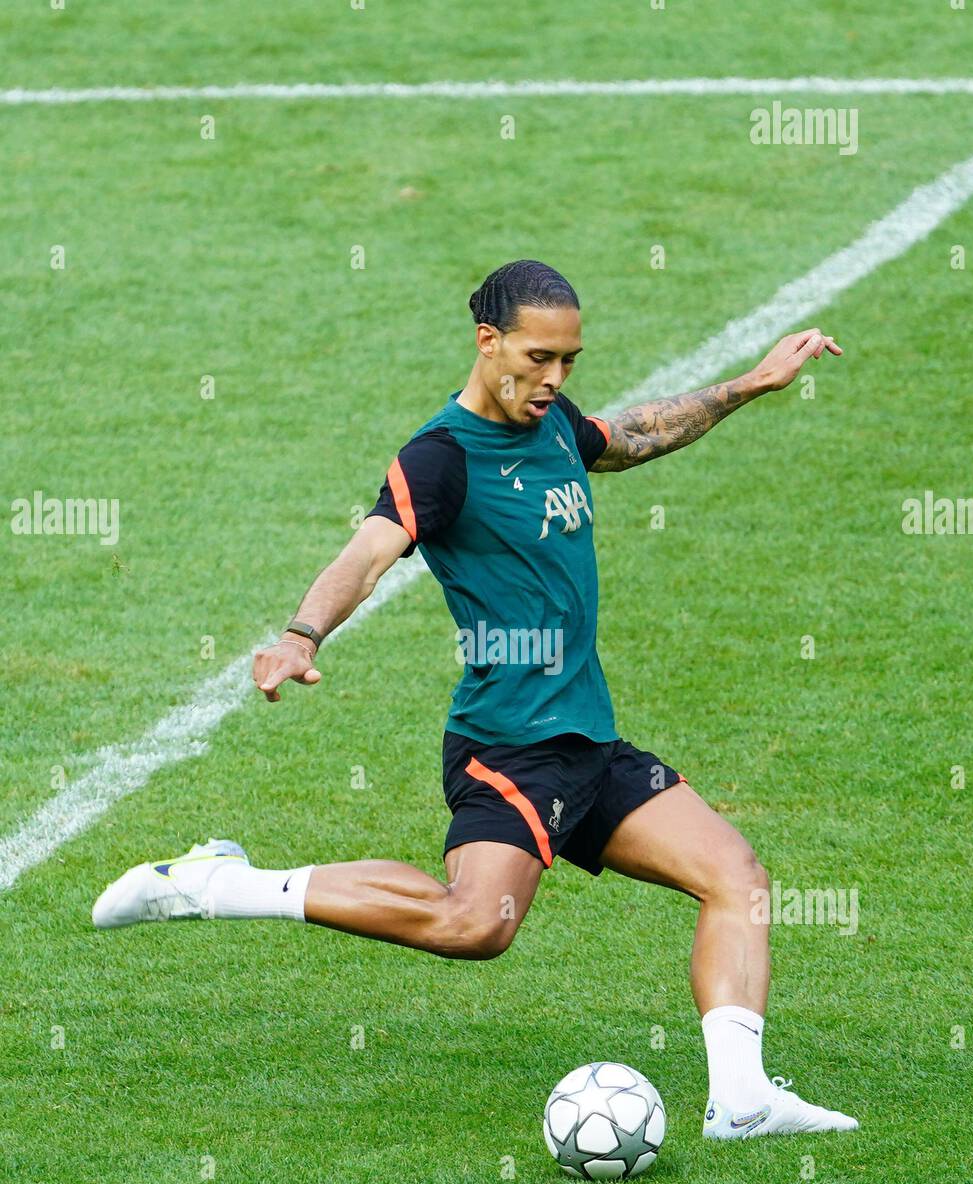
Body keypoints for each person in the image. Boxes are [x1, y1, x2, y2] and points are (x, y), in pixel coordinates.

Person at [93, 260, 856, 1139]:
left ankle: (742, 1100)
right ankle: (218, 884)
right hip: (508, 747)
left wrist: (752, 384)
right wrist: (303, 634)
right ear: (487, 342)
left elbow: (630, 433)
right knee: (474, 923)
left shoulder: (556, 423)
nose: (556, 378)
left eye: (569, 360)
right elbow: (369, 553)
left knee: (737, 876)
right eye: (539, 358)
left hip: (586, 742)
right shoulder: (442, 458)